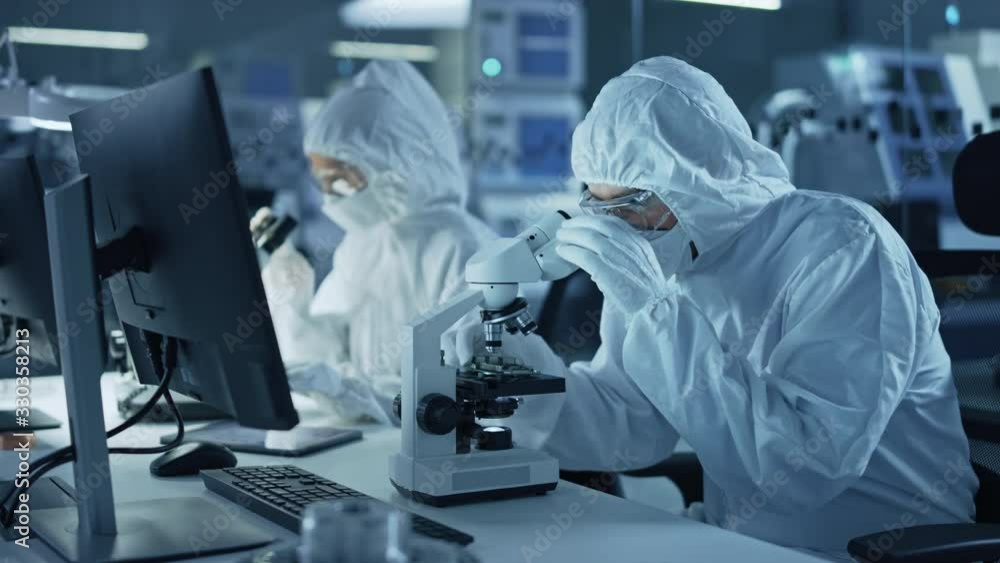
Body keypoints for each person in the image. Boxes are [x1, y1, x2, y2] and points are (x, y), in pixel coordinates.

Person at [442, 56, 978, 560]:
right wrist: (525, 383)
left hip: (868, 547)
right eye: (600, 206)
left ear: (700, 184)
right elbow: (631, 420)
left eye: (633, 202)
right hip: (744, 544)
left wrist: (657, 311)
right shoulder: (664, 259)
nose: (617, 226)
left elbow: (802, 470)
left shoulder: (845, 248)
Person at [264, 60, 494, 424]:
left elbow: (458, 401)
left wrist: (347, 393)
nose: (328, 198)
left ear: (397, 166)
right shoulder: (363, 243)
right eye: (320, 181)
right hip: (366, 442)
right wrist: (295, 305)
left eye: (338, 180)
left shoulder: (464, 251)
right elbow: (328, 358)